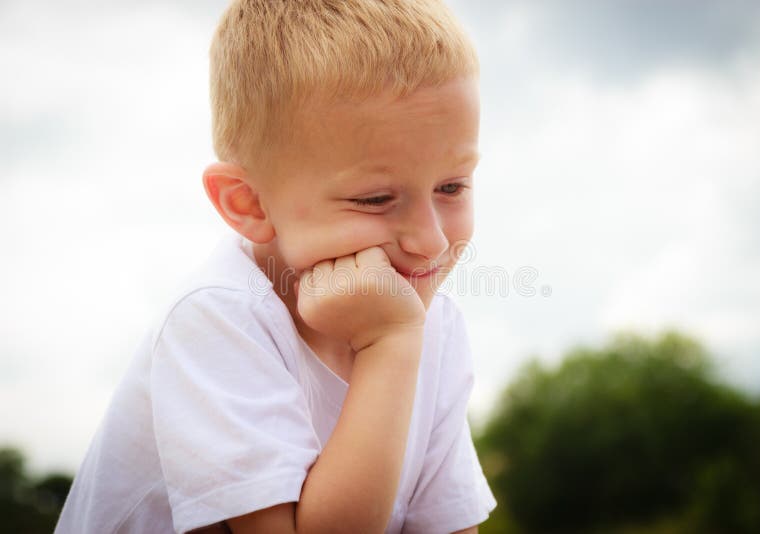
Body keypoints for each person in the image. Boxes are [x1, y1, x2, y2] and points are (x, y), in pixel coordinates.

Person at [55, 0, 497, 532]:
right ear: (249, 205)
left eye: (452, 187)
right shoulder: (217, 319)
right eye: (377, 199)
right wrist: (391, 347)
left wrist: (400, 337)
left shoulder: (434, 322)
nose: (431, 240)